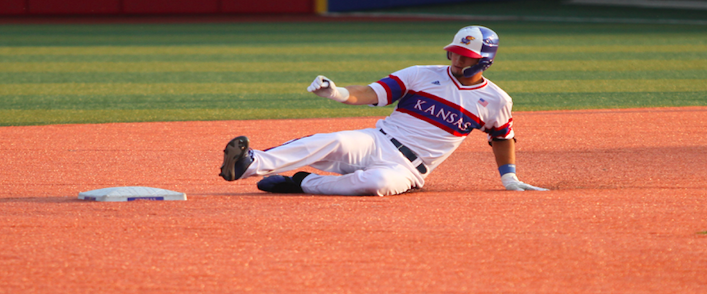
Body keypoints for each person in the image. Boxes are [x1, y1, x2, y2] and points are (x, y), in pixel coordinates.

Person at [219, 25, 546, 196]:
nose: (457, 59)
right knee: (330, 141)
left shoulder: (496, 100)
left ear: (484, 60)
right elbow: (372, 93)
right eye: (455, 53)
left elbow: (503, 138)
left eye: (465, 56)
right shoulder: (421, 73)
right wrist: (336, 92)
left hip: (410, 170)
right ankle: (250, 164)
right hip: (378, 140)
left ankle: (301, 184)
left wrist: (510, 178)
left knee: (376, 185)